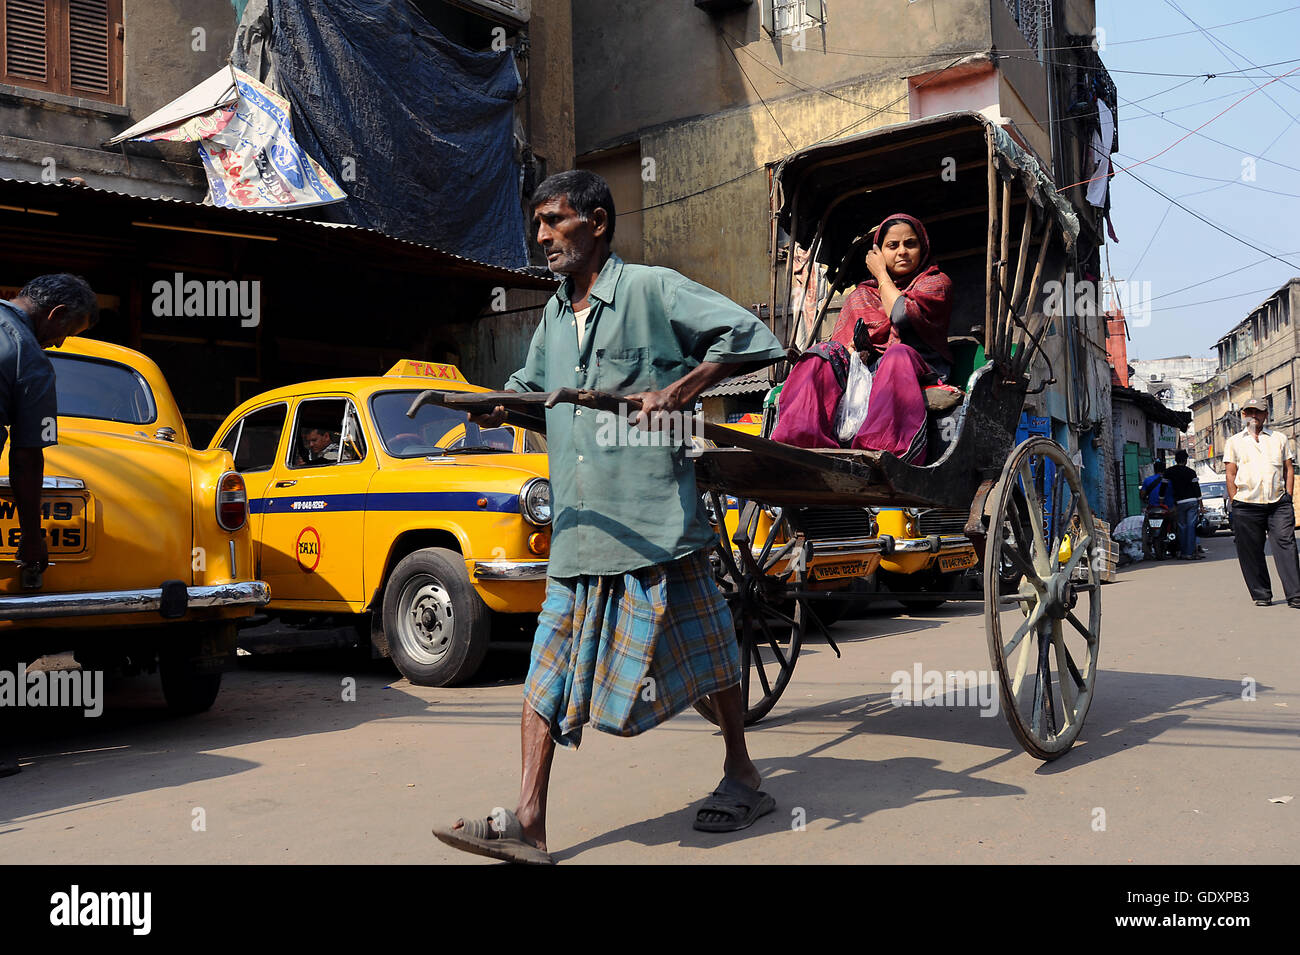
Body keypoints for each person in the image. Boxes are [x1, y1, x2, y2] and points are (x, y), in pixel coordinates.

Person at [432, 170, 786, 864]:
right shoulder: (555, 315)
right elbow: (536, 390)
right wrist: (498, 404)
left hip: (656, 518)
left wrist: (679, 386)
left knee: (712, 654)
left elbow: (752, 337)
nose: (541, 237)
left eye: (554, 221)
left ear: (596, 223)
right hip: (581, 528)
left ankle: (742, 770)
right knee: (544, 671)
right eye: (537, 224)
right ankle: (529, 819)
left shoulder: (653, 289)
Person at [0, 274, 98, 778]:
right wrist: (32, 532)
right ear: (55, 314)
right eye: (67, 332)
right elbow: (28, 454)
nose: (60, 343)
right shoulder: (29, 356)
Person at [770, 213, 954, 463]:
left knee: (897, 354)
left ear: (922, 248)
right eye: (893, 245)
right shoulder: (862, 294)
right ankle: (799, 443)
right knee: (823, 353)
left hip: (917, 367)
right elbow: (844, 348)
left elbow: (900, 316)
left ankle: (879, 451)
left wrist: (881, 275)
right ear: (880, 251)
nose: (902, 252)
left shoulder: (935, 283)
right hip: (867, 373)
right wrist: (854, 351)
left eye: (910, 244)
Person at [1223, 395, 1300, 607]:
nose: (1253, 416)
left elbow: (1288, 469)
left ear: (1266, 415)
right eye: (1249, 412)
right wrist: (1234, 500)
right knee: (1251, 550)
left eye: (1258, 412)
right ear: (1244, 415)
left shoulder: (1279, 439)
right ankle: (1262, 594)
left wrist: (1288, 496)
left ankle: (1295, 595)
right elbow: (1230, 474)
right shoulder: (1234, 442)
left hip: (1278, 503)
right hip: (1246, 504)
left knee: (1286, 544)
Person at [1164, 449, 1203, 560]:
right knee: (1191, 527)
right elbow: (1197, 489)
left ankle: (1182, 551)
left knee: (1181, 527)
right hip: (1192, 501)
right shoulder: (1191, 472)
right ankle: (1189, 553)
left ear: (1175, 460)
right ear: (1186, 460)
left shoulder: (1169, 472)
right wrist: (1201, 504)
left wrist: (1161, 499)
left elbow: (1163, 487)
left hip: (1179, 503)